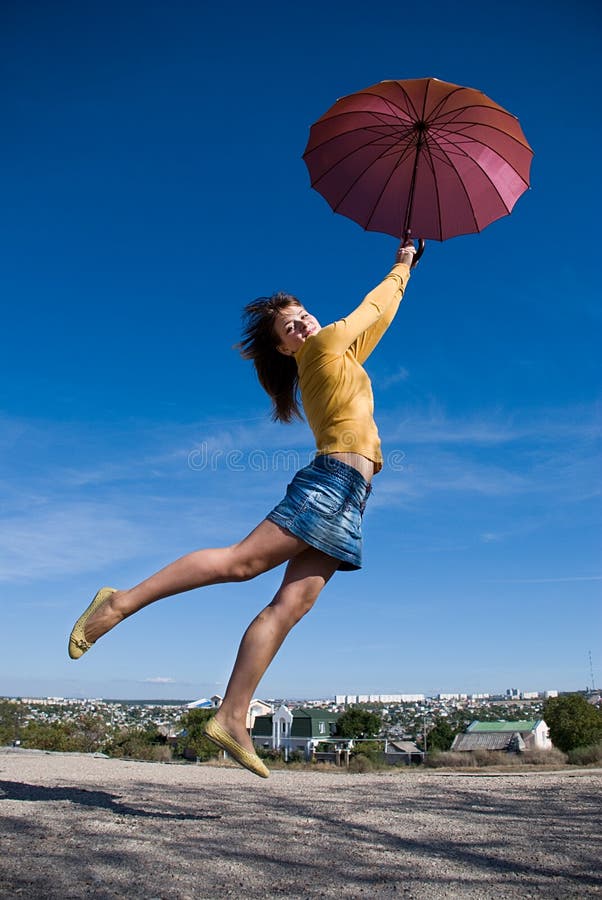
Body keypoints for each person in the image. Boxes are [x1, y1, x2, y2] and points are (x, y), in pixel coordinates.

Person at [68, 240, 416, 777]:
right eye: (290, 328)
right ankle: (117, 604)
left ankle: (232, 715)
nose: (301, 326)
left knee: (290, 608)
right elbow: (374, 309)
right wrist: (401, 265)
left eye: (302, 318)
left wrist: (405, 269)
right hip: (331, 482)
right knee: (241, 563)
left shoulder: (336, 356)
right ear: (284, 348)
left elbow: (374, 325)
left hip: (353, 497)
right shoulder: (323, 349)